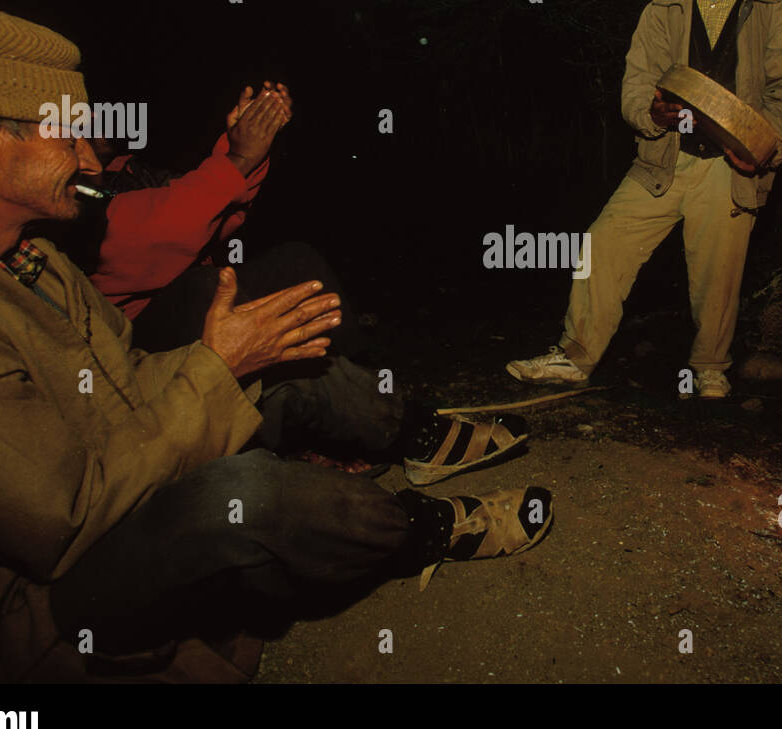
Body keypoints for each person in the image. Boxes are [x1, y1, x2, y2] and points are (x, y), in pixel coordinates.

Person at [0, 0, 552, 683]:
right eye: (66, 134)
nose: (89, 156)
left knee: (287, 366)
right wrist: (214, 368)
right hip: (27, 610)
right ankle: (419, 532)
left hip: (116, 482)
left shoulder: (27, 256)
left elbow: (132, 374)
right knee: (243, 494)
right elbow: (65, 516)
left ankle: (420, 441)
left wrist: (234, 358)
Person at [62, 81, 529, 481]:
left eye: (93, 131)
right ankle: (398, 429)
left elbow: (210, 219)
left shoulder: (124, 172)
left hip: (172, 319)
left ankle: (360, 410)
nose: (87, 150)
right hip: (129, 353)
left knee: (296, 264)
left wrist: (239, 151)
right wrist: (237, 160)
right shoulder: (58, 200)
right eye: (72, 136)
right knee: (212, 293)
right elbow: (145, 239)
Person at [507, 0, 782, 399]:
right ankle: (574, 356)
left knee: (717, 275)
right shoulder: (665, 5)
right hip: (662, 160)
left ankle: (710, 366)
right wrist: (651, 111)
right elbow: (635, 83)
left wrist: (764, 151)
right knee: (602, 243)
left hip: (730, 164)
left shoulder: (772, 0)